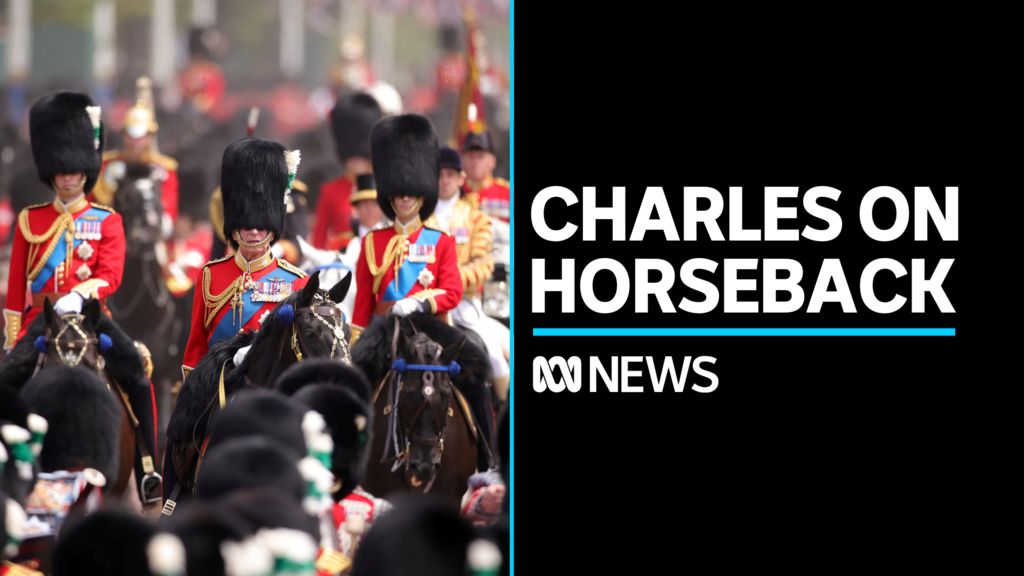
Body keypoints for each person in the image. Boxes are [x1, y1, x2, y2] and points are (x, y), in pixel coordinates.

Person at [3, 92, 124, 350]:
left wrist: (80, 295)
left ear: (85, 171)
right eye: (60, 172)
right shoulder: (30, 219)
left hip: (91, 316)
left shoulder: (108, 220)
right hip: (40, 320)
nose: (67, 179)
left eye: (73, 171)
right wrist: (12, 334)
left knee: (135, 368)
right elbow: (15, 288)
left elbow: (110, 276)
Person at [180, 138, 308, 378]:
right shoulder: (210, 275)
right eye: (247, 224)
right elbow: (196, 346)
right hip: (216, 385)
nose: (254, 231)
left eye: (261, 225)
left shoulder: (296, 281)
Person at [350, 115, 463, 342]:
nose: (404, 198)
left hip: (429, 331)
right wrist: (356, 339)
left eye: (411, 193)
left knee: (475, 360)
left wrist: (419, 303)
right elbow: (364, 301)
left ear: (423, 196)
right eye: (399, 193)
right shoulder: (372, 242)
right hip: (383, 332)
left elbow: (452, 292)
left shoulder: (441, 241)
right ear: (389, 196)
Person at [426, 147, 509, 399]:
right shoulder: (421, 217)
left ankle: (498, 413)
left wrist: (451, 281)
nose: (445, 180)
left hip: (464, 304)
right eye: (440, 175)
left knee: (497, 358)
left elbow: (483, 262)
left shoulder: (476, 218)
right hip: (426, 303)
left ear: (461, 178)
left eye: (450, 175)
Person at [91, 76, 179, 231]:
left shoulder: (165, 169)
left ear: (149, 137)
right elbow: (94, 205)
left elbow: (169, 213)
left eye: (140, 137)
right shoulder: (107, 164)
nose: (134, 143)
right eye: (130, 136)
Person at [311, 93, 382, 251]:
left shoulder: (383, 187)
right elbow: (319, 241)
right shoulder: (330, 191)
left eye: (360, 156)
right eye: (352, 157)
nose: (356, 160)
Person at [461, 130, 509, 223]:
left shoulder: (508, 193)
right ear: (462, 160)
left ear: (493, 161)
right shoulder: (454, 192)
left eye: (481, 157)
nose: (475, 162)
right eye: (471, 157)